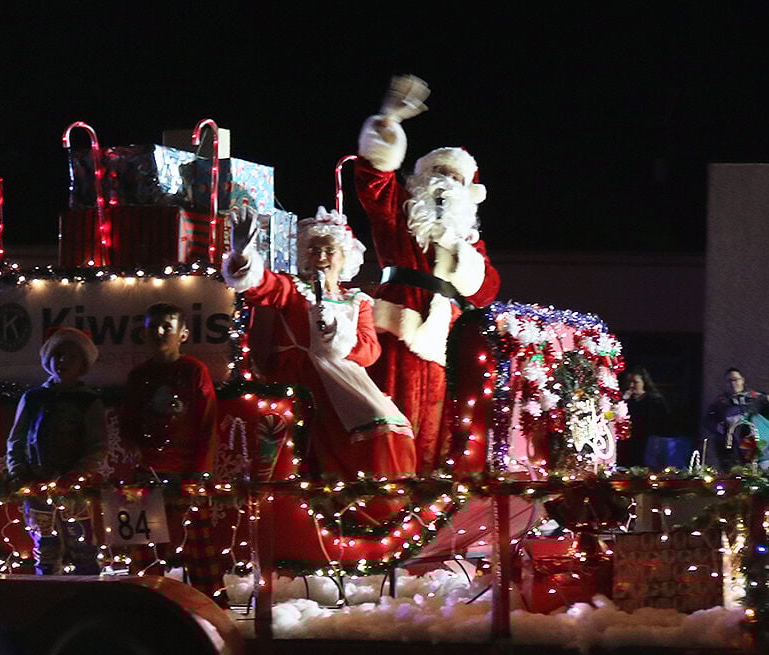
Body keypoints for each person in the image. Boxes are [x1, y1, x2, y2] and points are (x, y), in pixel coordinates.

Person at [354, 77, 500, 473]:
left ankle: (431, 497)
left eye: (454, 178)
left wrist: (459, 254)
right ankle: (386, 489)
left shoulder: (468, 240)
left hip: (443, 339)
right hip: (394, 326)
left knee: (440, 422)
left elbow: (486, 290)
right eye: (437, 173)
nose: (444, 183)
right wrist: (386, 125)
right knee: (390, 416)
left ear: (468, 190)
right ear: (419, 179)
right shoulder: (398, 212)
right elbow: (373, 182)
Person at [222, 204, 416, 482]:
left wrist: (337, 332)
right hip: (303, 375)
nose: (321, 256)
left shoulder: (357, 301)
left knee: (386, 422)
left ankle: (377, 497)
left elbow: (370, 350)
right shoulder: (293, 289)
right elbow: (261, 285)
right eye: (313, 249)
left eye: (329, 250)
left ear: (343, 256)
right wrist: (242, 255)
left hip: (347, 376)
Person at [120, 303, 221, 597]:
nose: (160, 332)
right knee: (143, 548)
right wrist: (132, 453)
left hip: (187, 472)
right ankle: (146, 600)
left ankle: (212, 602)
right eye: (153, 327)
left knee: (198, 545)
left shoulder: (194, 371)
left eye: (167, 326)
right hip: (146, 471)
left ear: (183, 334)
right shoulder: (138, 375)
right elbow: (127, 421)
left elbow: (207, 421)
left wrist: (202, 470)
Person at [7, 326, 106, 575]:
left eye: (72, 356)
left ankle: (88, 599)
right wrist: (19, 473)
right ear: (48, 358)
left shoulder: (88, 401)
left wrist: (77, 475)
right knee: (46, 548)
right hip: (37, 486)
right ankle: (49, 596)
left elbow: (98, 446)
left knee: (83, 547)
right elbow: (16, 439)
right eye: (59, 354)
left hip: (75, 490)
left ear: (83, 364)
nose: (64, 360)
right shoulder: (33, 398)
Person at [705, 367, 769, 471]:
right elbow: (708, 421)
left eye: (735, 380)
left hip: (757, 445)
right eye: (729, 381)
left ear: (742, 380)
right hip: (730, 448)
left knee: (760, 474)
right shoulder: (719, 403)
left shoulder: (757, 398)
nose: (733, 383)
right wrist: (719, 427)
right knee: (734, 476)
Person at [618, 367, 669, 468]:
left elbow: (661, 421)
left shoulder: (654, 400)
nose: (631, 385)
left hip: (648, 440)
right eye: (629, 382)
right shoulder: (627, 400)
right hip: (628, 441)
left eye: (635, 382)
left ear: (643, 382)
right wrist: (623, 401)